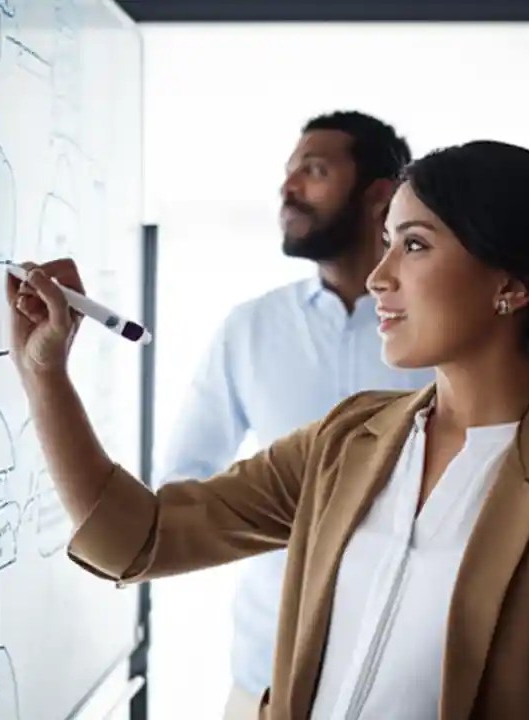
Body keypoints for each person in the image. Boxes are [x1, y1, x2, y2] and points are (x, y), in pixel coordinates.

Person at [8, 140, 529, 719]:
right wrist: (45, 376)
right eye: (387, 244)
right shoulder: (346, 439)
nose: (380, 277)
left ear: (514, 284)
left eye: (414, 244)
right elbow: (139, 538)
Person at [154, 111, 433, 718]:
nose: (288, 189)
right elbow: (180, 486)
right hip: (267, 686)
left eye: (314, 171)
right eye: (289, 172)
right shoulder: (248, 329)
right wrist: (278, 510)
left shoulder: (442, 334)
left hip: (415, 687)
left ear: (377, 196)